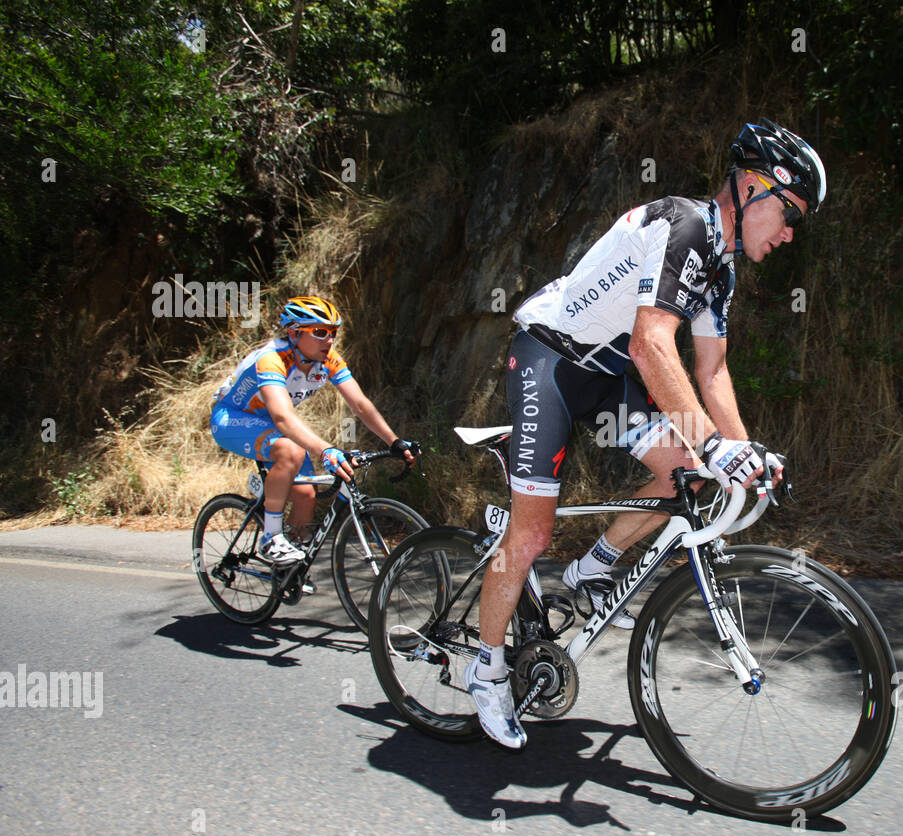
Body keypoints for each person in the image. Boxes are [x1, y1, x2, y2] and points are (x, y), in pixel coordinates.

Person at [466, 119, 826, 748]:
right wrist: (713, 444)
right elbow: (651, 341)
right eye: (790, 211)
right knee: (531, 532)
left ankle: (592, 570)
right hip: (550, 357)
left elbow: (711, 370)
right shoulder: (686, 226)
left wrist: (741, 452)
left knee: (684, 472)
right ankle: (486, 669)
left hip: (609, 374)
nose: (791, 232)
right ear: (750, 188)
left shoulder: (722, 268)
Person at [209, 295, 417, 567]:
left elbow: (361, 404)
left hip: (269, 424)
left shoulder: (328, 360)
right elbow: (283, 417)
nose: (329, 340)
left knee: (306, 495)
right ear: (294, 332)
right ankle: (271, 539)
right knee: (291, 450)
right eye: (320, 332)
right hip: (232, 419)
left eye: (332, 333)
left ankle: (288, 572)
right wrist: (326, 450)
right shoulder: (271, 359)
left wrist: (395, 442)